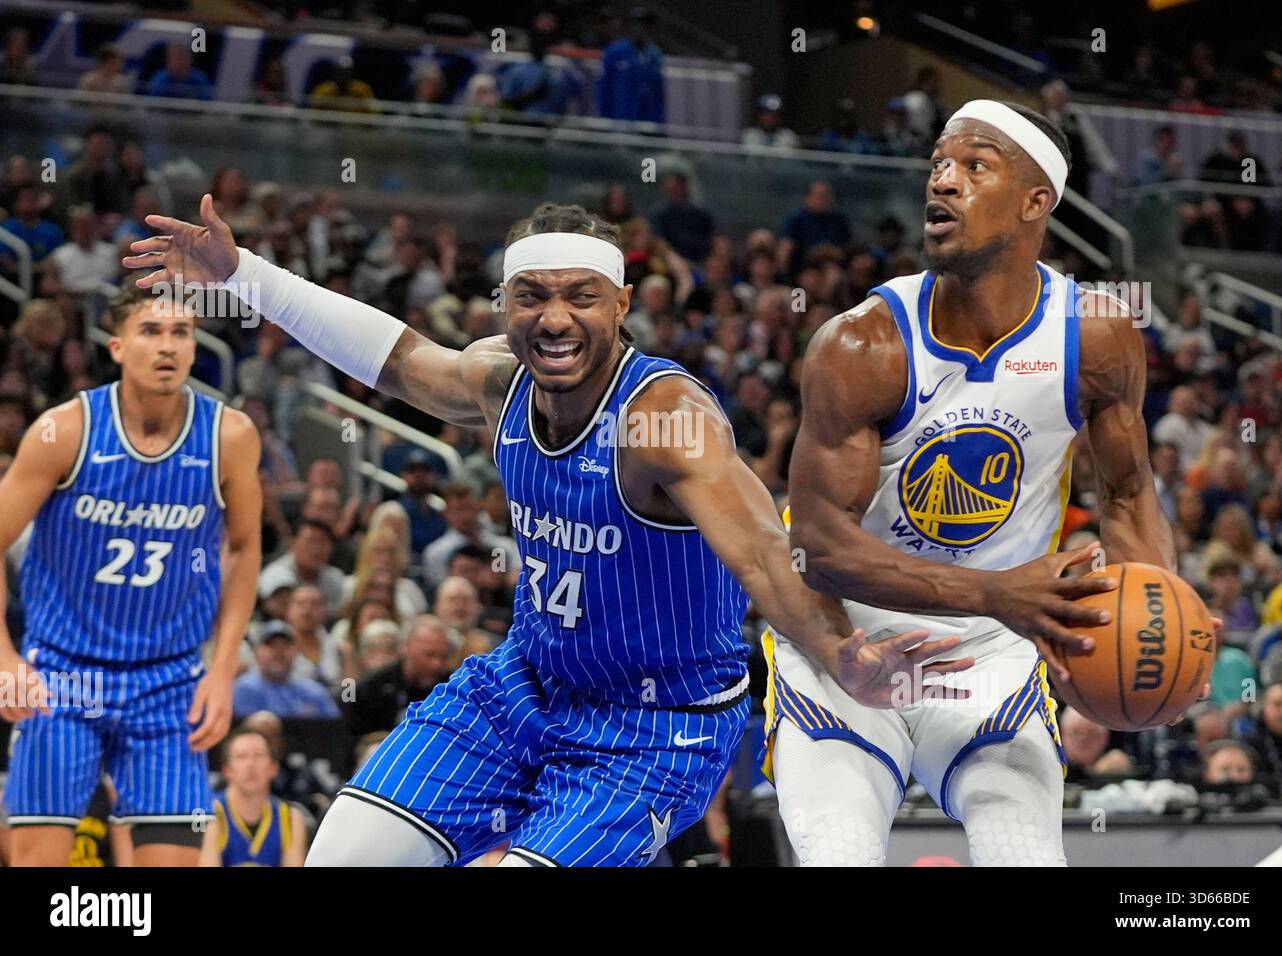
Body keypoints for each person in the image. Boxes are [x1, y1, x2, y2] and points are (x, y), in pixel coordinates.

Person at [124, 197, 969, 867]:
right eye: (531, 295)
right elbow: (399, 358)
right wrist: (250, 278)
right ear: (503, 303)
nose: (554, 318)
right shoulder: (502, 383)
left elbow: (758, 550)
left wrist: (841, 651)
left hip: (655, 726)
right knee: (345, 856)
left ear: (622, 304)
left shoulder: (663, 418)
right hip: (523, 685)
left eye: (580, 296)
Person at [772, 99, 1215, 866]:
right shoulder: (862, 344)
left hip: (991, 653)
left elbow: (1128, 492)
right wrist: (994, 592)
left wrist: (1148, 624)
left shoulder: (1096, 334)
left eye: (974, 168)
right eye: (938, 166)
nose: (942, 184)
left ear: (1036, 201)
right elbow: (816, 548)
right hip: (845, 650)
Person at [0, 283, 262, 866]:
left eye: (181, 333)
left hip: (169, 681)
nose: (167, 346)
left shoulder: (231, 436)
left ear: (195, 348)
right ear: (116, 347)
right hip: (62, 674)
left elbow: (244, 551)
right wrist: (6, 659)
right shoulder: (63, 431)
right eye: (151, 332)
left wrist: (221, 671)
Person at [201, 728, 308, 866]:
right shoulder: (210, 815)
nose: (251, 764)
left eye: (258, 756)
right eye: (242, 756)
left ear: (273, 768)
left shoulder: (291, 819)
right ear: (227, 770)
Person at [232, 621, 341, 720]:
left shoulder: (313, 691)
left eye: (285, 645)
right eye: (271, 645)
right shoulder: (244, 689)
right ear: (257, 652)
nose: (279, 652)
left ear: (295, 652)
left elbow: (335, 728)